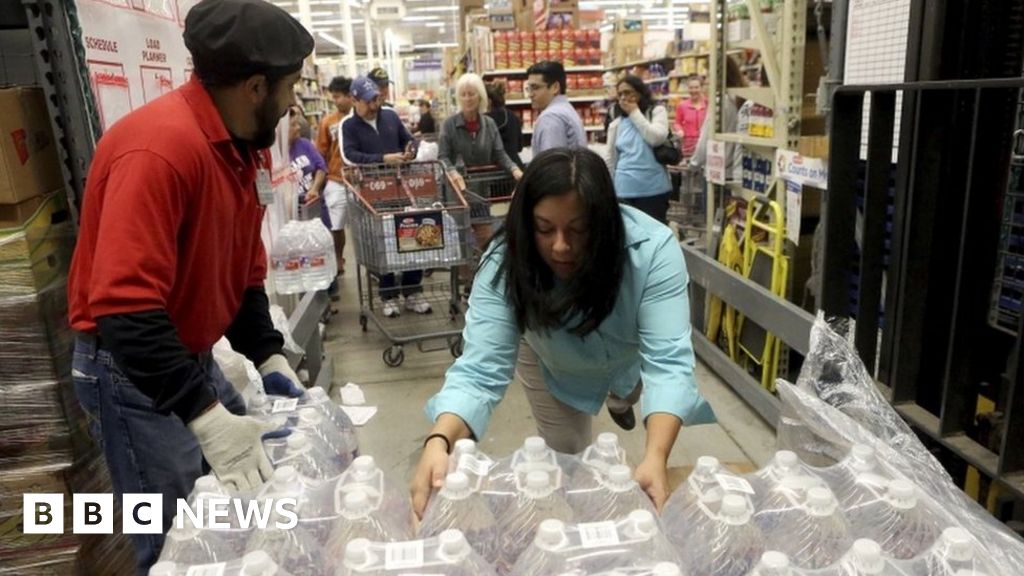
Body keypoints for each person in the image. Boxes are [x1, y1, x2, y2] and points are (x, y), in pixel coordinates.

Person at [66, 0, 311, 570]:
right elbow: (124, 307)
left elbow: (241, 261)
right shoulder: (160, 151)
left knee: (235, 503)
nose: (294, 99)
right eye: (291, 85)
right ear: (256, 86)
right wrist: (202, 416)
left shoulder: (236, 146)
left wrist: (267, 353)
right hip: (131, 371)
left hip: (184, 356)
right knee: (178, 542)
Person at [410, 147, 715, 518]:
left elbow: (667, 364)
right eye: (543, 228)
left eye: (579, 229)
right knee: (569, 456)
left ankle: (619, 397)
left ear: (603, 222)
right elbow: (479, 370)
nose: (560, 245)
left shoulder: (652, 251)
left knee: (629, 389)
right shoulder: (503, 263)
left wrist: (655, 457)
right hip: (548, 359)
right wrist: (439, 440)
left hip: (625, 357)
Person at [341, 76, 431, 318]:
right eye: (369, 102)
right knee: (381, 244)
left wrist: (411, 149)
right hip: (371, 193)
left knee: (411, 236)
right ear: (354, 100)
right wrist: (383, 159)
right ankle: (388, 295)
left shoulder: (389, 116)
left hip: (401, 188)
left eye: (377, 100)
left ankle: (413, 291)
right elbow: (349, 155)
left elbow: (407, 138)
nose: (374, 106)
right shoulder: (347, 126)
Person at [604, 75, 673, 224]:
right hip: (623, 190)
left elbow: (656, 138)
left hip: (654, 190)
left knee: (654, 237)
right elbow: (610, 157)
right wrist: (609, 188)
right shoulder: (616, 123)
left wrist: (634, 113)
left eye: (628, 92)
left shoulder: (656, 112)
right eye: (620, 94)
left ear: (640, 93)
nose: (623, 98)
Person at [317, 76, 353, 281]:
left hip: (359, 179)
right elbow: (320, 152)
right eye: (333, 97)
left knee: (363, 224)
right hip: (335, 178)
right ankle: (339, 258)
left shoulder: (359, 118)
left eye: (338, 97)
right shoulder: (327, 122)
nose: (336, 101)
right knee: (336, 225)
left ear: (350, 96)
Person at [526, 61, 588, 154]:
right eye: (529, 88)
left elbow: (551, 165)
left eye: (535, 87)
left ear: (555, 87)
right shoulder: (566, 109)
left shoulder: (551, 118)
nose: (530, 94)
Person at [289, 106, 328, 227]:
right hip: (294, 213)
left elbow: (321, 166)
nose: (299, 127)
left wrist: (314, 188)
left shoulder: (304, 144)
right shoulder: (276, 156)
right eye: (294, 125)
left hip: (313, 205)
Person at [485, 81, 525, 170]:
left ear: (488, 101)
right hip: (516, 168)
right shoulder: (513, 116)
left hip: (495, 171)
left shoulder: (485, 120)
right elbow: (519, 147)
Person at [673, 75, 708, 159]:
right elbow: (677, 123)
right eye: (691, 88)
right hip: (688, 145)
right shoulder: (682, 105)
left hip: (704, 143)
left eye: (696, 87)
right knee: (688, 169)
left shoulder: (708, 104)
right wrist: (679, 130)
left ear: (701, 88)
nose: (693, 90)